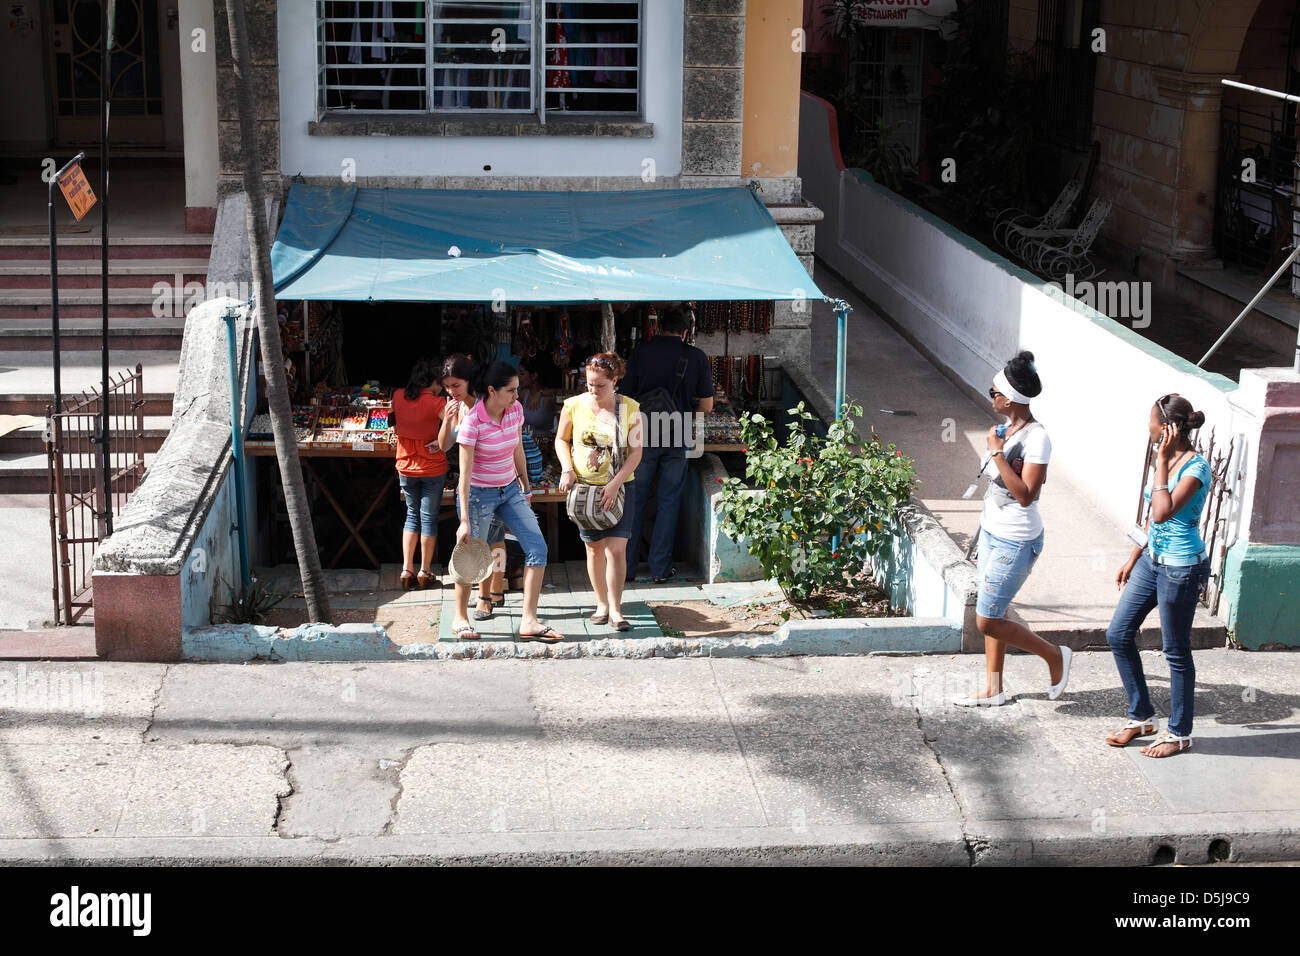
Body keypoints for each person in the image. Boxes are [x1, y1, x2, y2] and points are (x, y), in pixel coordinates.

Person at [953, 351, 1072, 707]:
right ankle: (994, 688)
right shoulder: (1007, 430)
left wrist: (997, 454)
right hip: (992, 532)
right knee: (996, 611)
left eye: (993, 392)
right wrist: (998, 449)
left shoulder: (1037, 438)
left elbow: (1026, 494)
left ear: (1008, 398)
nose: (990, 397)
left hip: (1016, 539)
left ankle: (1054, 655)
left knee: (987, 621)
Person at [1105, 394, 1212, 757]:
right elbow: (1152, 517)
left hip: (1182, 567)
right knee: (1118, 634)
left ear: (1169, 427)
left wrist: (1163, 462)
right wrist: (1134, 555)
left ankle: (1179, 732)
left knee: (1175, 650)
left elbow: (1164, 511)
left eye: (1152, 421)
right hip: (1153, 561)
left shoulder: (1196, 468)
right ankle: (1142, 717)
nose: (1148, 427)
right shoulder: (1165, 461)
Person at [450, 360, 560, 643]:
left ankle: (529, 620)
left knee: (537, 548)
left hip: (510, 490)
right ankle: (460, 616)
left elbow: (518, 447)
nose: (516, 395)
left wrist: (524, 482)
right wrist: (463, 519)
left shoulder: (515, 411)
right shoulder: (472, 423)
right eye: (511, 390)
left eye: (517, 390)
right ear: (491, 390)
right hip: (478, 495)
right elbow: (464, 476)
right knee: (471, 556)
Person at [617, 305, 713, 583]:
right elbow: (706, 406)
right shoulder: (695, 357)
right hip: (677, 435)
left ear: (658, 327)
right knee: (669, 501)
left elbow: (624, 399)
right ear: (685, 332)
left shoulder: (641, 353)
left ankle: (627, 568)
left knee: (634, 501)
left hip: (642, 436)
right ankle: (660, 569)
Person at [557, 352, 644, 630]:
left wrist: (615, 482)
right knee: (593, 549)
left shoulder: (630, 408)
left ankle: (616, 609)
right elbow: (561, 439)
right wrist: (566, 468)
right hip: (585, 488)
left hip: (619, 488)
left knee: (617, 550)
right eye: (589, 384)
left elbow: (636, 452)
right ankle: (601, 605)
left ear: (615, 380)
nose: (593, 390)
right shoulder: (573, 405)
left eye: (599, 385)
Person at [439, 353, 506, 621]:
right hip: (472, 485)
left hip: (496, 482)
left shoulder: (484, 404)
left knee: (489, 541)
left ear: (469, 381)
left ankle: (486, 597)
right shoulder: (457, 407)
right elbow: (445, 445)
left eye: (456, 385)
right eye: (447, 386)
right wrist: (446, 419)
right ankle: (494, 592)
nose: (451, 391)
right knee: (485, 541)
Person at [390, 357, 448, 590]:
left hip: (405, 464)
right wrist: (439, 440)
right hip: (432, 467)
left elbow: (393, 426)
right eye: (439, 383)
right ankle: (424, 571)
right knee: (428, 518)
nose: (442, 387)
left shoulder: (397, 396)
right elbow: (454, 428)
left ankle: (407, 569)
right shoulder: (437, 403)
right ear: (432, 382)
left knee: (411, 515)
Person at [518, 355, 558, 434]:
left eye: (522, 374)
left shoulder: (547, 400)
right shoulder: (524, 394)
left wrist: (541, 393)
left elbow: (566, 393)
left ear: (534, 376)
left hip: (542, 444)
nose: (518, 376)